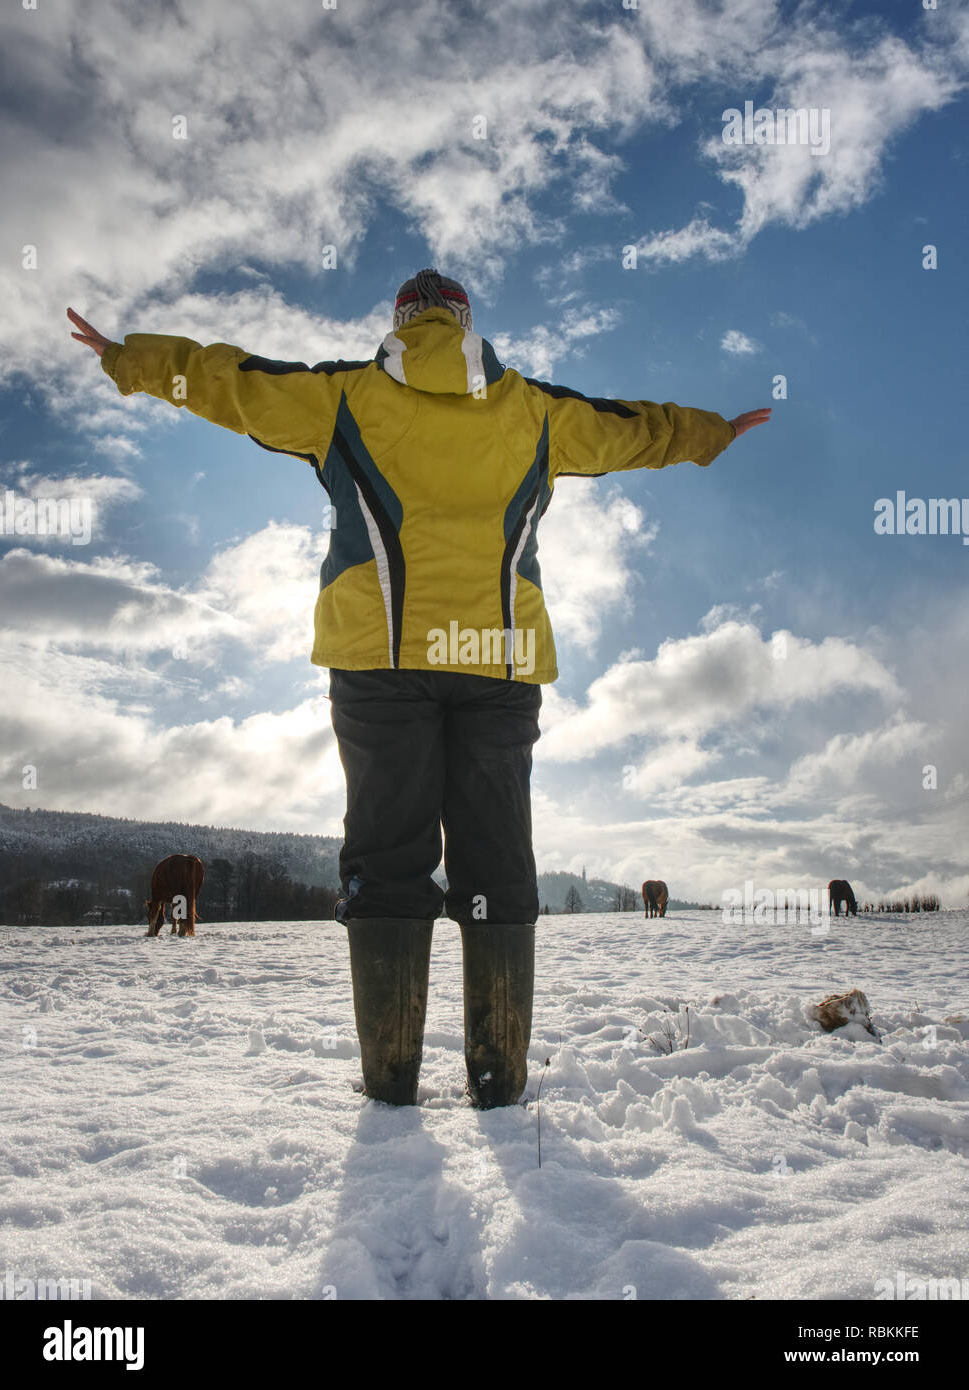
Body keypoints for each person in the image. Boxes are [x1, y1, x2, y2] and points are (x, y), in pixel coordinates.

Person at [67, 274, 769, 1109]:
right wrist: (712, 432)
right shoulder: (536, 410)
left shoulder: (341, 398)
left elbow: (231, 383)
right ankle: (498, 1081)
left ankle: (391, 1082)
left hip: (380, 661)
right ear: (466, 322)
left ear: (399, 321)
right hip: (498, 663)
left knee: (389, 858)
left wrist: (127, 359)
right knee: (497, 862)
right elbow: (634, 431)